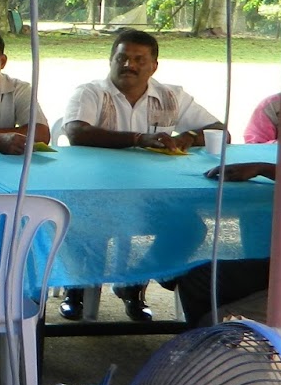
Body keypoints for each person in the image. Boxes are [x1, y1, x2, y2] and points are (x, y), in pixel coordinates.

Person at [56, 28, 225, 322]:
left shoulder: (172, 96)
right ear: (110, 60)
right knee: (85, 222)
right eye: (122, 58)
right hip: (95, 192)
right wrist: (138, 139)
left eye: (138, 59)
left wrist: (187, 136)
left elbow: (220, 131)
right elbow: (76, 132)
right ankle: (77, 288)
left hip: (152, 197)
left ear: (154, 66)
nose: (129, 65)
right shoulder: (91, 92)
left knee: (189, 228)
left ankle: (134, 282)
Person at [173, 160, 281, 325]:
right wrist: (263, 169)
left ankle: (214, 342)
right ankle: (201, 341)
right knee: (197, 282)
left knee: (224, 325)